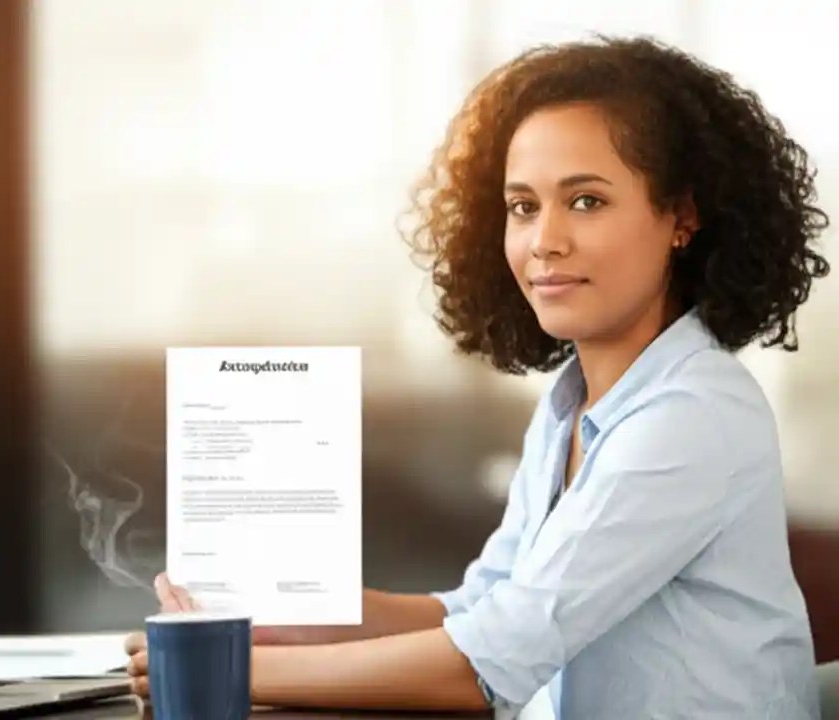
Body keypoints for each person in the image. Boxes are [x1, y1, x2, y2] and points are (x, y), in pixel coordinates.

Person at [123, 34, 831, 718]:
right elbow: (482, 606)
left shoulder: (694, 415)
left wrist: (230, 670)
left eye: (586, 200)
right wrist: (295, 615)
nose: (544, 240)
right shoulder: (568, 408)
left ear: (682, 216)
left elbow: (490, 662)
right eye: (523, 206)